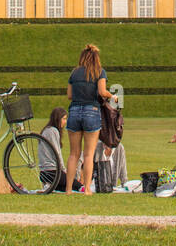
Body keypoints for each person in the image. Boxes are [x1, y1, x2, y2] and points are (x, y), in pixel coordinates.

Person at [65, 44, 118, 195]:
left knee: (73, 153)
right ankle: (87, 189)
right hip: (91, 111)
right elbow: (102, 91)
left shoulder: (74, 73)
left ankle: (68, 189)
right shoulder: (99, 72)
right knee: (88, 154)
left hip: (74, 111)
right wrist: (112, 96)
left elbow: (69, 95)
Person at [38, 107, 78, 192]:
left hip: (44, 173)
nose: (65, 122)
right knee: (77, 185)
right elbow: (56, 153)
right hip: (52, 172)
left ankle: (48, 185)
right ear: (57, 119)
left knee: (66, 189)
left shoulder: (46, 130)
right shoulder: (53, 131)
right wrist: (64, 170)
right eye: (63, 119)